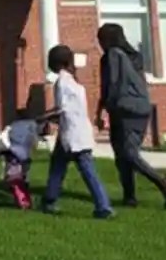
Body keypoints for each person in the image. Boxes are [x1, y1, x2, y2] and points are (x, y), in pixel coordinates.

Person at [93, 23, 166, 209]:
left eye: (101, 39)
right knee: (122, 155)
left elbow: (112, 84)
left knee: (127, 153)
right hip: (138, 108)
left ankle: (164, 184)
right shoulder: (135, 57)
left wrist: (104, 110)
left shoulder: (113, 55)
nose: (100, 44)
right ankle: (129, 197)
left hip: (125, 109)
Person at [41, 44, 114, 219]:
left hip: (71, 134)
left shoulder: (61, 83)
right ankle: (49, 200)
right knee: (59, 165)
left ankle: (103, 206)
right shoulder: (75, 83)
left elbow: (61, 109)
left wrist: (42, 117)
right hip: (80, 131)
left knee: (85, 169)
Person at [0, 108, 48, 210]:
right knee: (23, 177)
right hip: (24, 155)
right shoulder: (31, 124)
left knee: (13, 177)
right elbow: (35, 138)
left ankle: (20, 197)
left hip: (12, 153)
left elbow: (4, 136)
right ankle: (24, 200)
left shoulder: (13, 125)